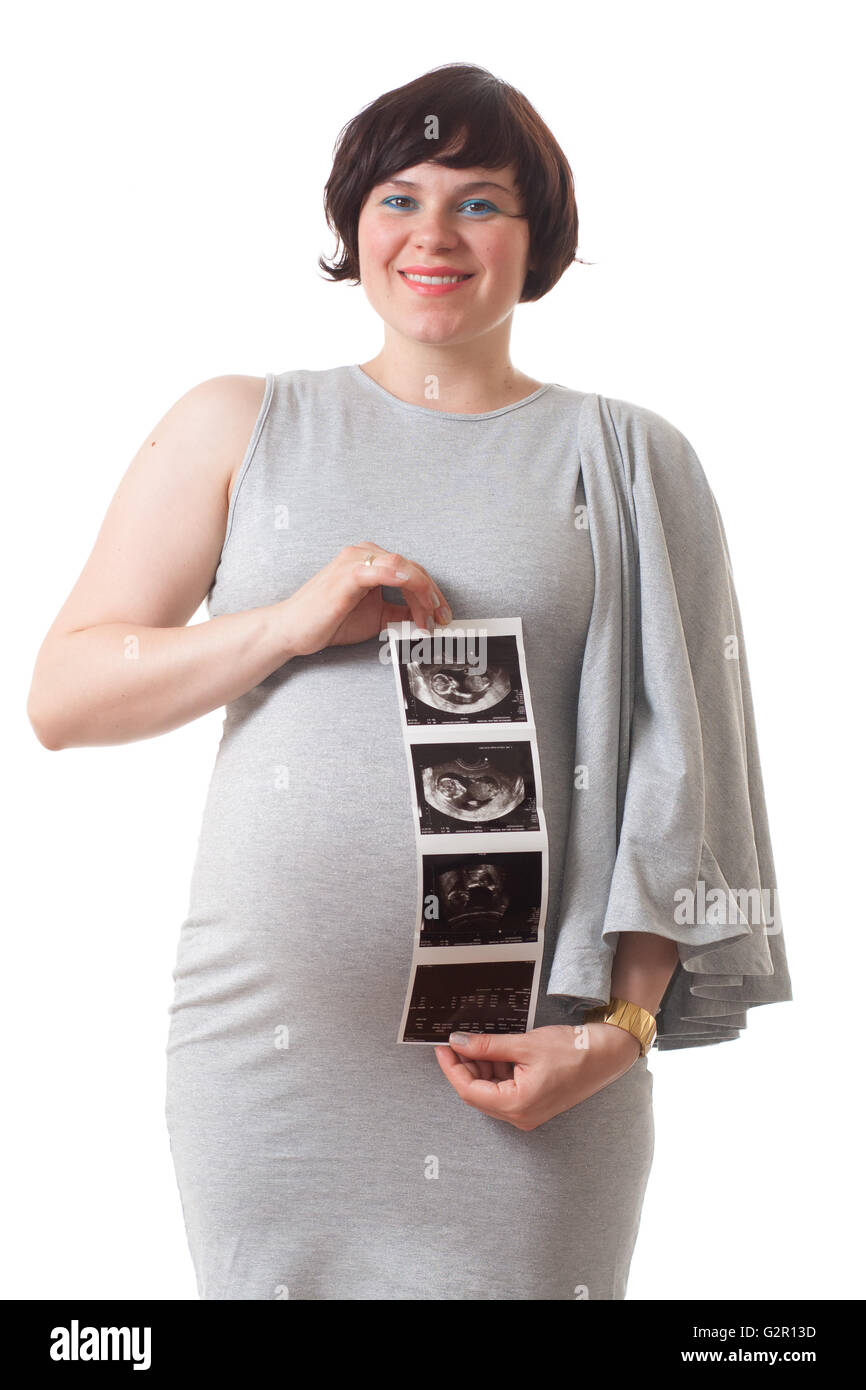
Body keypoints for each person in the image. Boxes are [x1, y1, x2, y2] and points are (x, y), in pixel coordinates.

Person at [26, 62, 791, 1300]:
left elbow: (688, 779)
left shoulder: (632, 457)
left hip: (529, 1062)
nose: (434, 234)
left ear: (537, 236)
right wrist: (283, 623)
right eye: (399, 197)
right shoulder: (239, 423)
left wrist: (619, 1034)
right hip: (267, 1063)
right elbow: (63, 695)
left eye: (480, 201)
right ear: (353, 224)